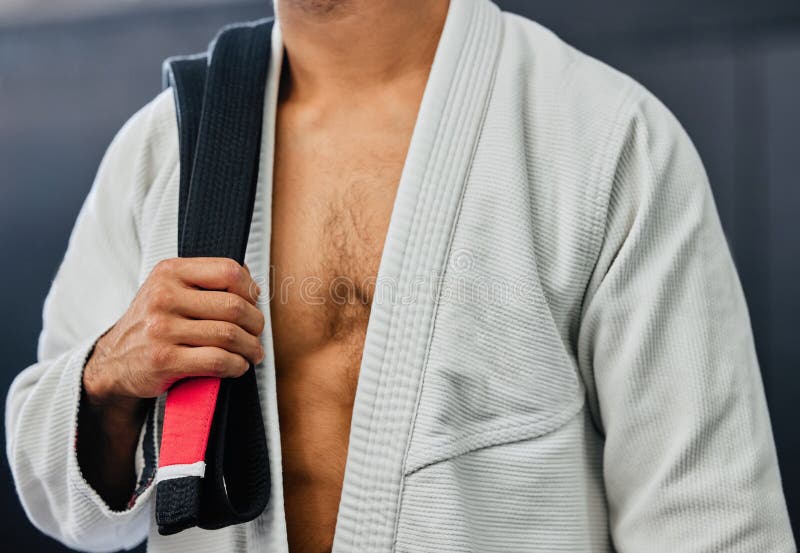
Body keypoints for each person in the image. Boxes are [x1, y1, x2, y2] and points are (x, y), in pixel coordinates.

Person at [5, 0, 795, 552]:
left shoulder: (603, 141)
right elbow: (56, 496)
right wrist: (108, 378)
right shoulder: (166, 152)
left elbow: (710, 524)